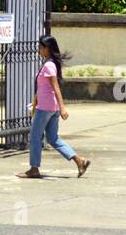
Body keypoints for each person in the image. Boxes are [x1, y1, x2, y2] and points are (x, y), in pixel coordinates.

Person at [18, 35, 89, 179]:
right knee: (53, 139)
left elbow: (55, 87)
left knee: (35, 138)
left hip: (46, 108)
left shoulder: (49, 65)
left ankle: (34, 169)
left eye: (40, 47)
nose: (39, 50)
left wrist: (63, 107)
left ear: (47, 48)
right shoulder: (50, 63)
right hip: (50, 107)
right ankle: (79, 161)